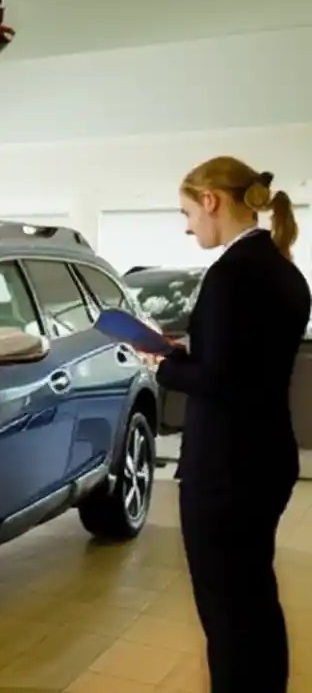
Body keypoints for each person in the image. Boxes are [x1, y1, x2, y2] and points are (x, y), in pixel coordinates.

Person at [157, 157, 311, 692]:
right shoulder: (285, 270)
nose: (187, 226)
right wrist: (189, 357)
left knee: (227, 616)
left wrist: (162, 365)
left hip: (226, 469)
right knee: (254, 601)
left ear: (212, 201)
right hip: (267, 459)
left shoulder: (230, 276)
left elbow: (221, 380)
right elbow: (245, 367)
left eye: (187, 213)